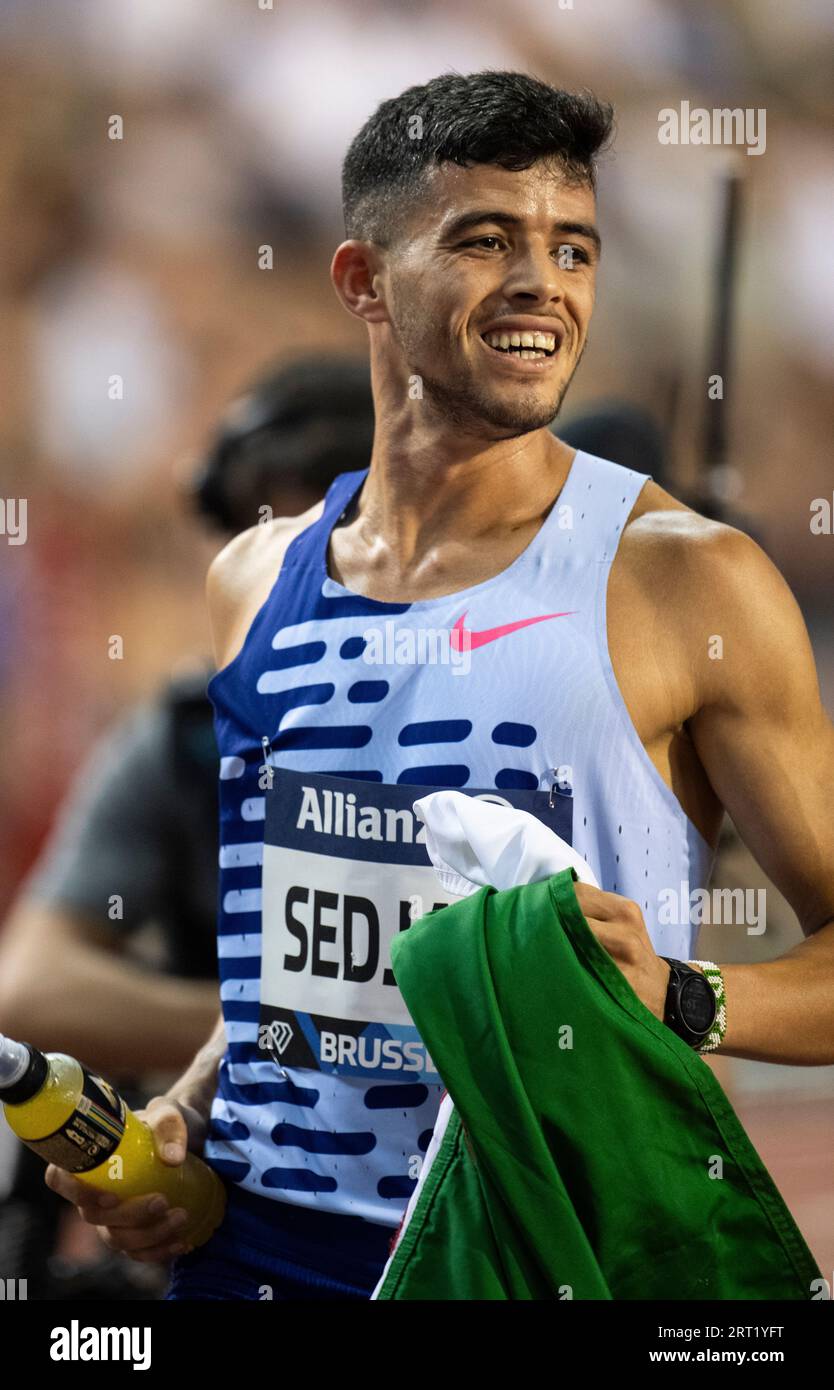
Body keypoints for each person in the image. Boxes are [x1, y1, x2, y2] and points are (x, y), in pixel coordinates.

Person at [46, 71, 834, 1300]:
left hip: (541, 1251)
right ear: (363, 280)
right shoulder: (253, 582)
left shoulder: (688, 581)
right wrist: (194, 1104)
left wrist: (685, 994)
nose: (543, 284)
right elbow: (286, 966)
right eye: (485, 240)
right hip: (254, 1252)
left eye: (573, 248)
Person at [0, 354, 374, 1296]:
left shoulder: (469, 712)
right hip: (230, 1190)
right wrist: (261, 1028)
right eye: (247, 540)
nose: (274, 575)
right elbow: (29, 984)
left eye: (316, 537)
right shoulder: (180, 740)